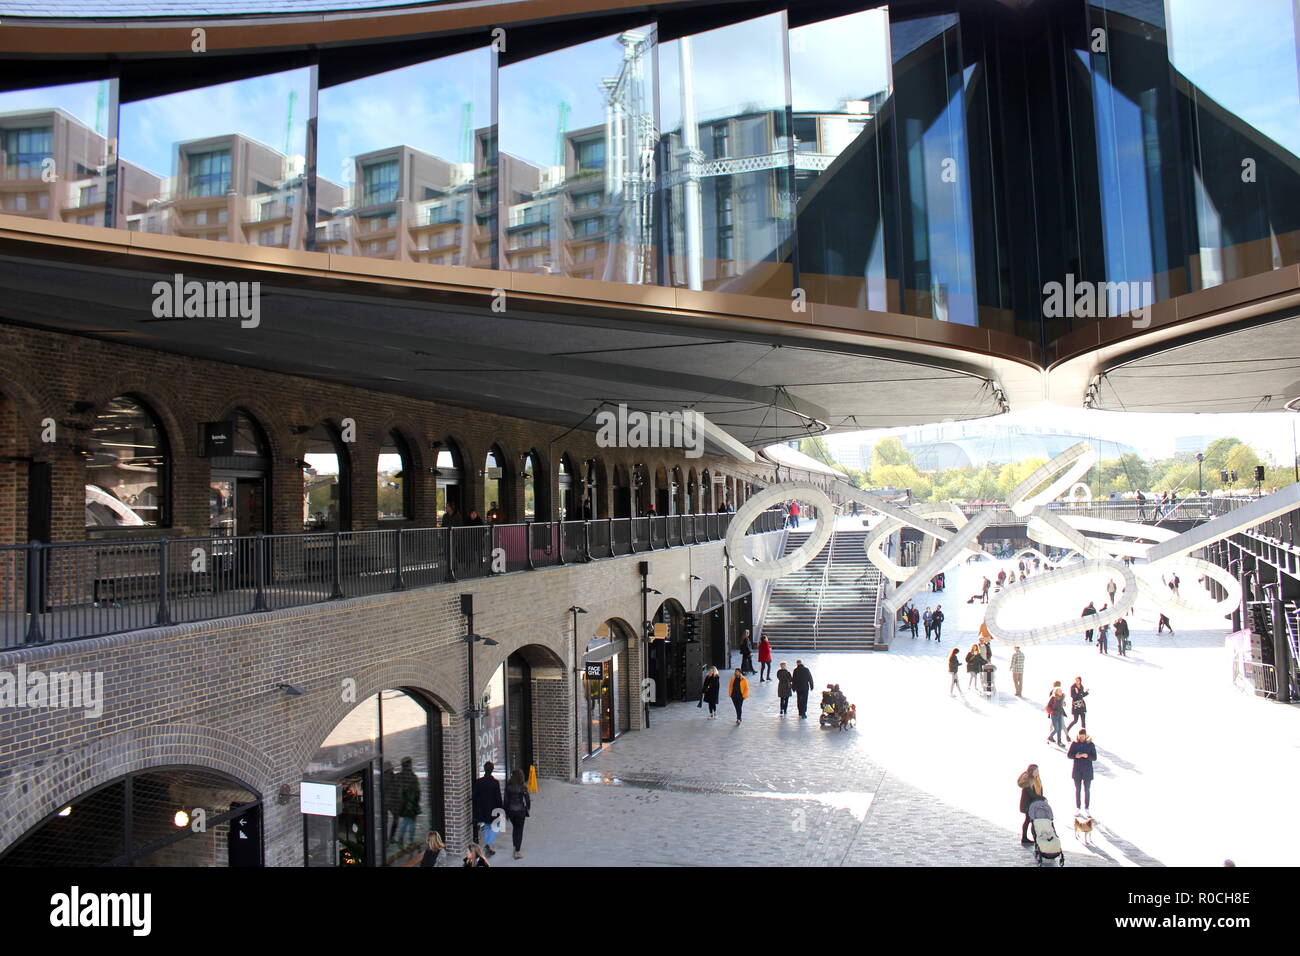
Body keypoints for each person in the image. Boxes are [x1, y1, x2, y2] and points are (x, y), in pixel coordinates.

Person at [472, 761, 503, 855]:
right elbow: (498, 798)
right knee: (495, 827)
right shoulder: (495, 783)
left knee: (486, 826)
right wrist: (500, 810)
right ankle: (488, 845)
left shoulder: (478, 782)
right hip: (493, 809)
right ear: (492, 770)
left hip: (482, 808)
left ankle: (488, 845)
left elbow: (475, 796)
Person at [504, 768, 531, 859]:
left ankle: (515, 845)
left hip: (511, 810)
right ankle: (517, 850)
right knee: (519, 830)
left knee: (515, 828)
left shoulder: (508, 787)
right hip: (520, 810)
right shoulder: (523, 787)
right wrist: (527, 807)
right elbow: (527, 799)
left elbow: (506, 800)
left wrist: (506, 811)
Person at [1067, 731, 1097, 813]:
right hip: (1077, 770)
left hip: (1087, 770)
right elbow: (1069, 755)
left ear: (1086, 736)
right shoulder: (1074, 744)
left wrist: (1087, 756)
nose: (1081, 738)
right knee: (1078, 789)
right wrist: (1075, 756)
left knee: (1087, 790)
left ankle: (1087, 807)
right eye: (1080, 736)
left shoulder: (1090, 744)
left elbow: (1094, 758)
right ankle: (1078, 807)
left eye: (1083, 736)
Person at [395, 757, 420, 846]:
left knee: (406, 821)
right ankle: (409, 840)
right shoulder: (413, 777)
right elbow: (417, 792)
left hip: (403, 804)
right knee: (410, 822)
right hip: (411, 805)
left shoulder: (399, 776)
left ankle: (402, 838)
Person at [1017, 764, 1044, 845]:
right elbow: (1031, 795)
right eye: (1036, 771)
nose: (1038, 772)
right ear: (1032, 771)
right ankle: (1029, 838)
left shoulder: (1036, 779)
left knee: (1029, 821)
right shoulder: (1028, 781)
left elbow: (1039, 791)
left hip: (1034, 804)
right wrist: (1042, 798)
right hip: (1028, 805)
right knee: (1030, 820)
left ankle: (1028, 838)